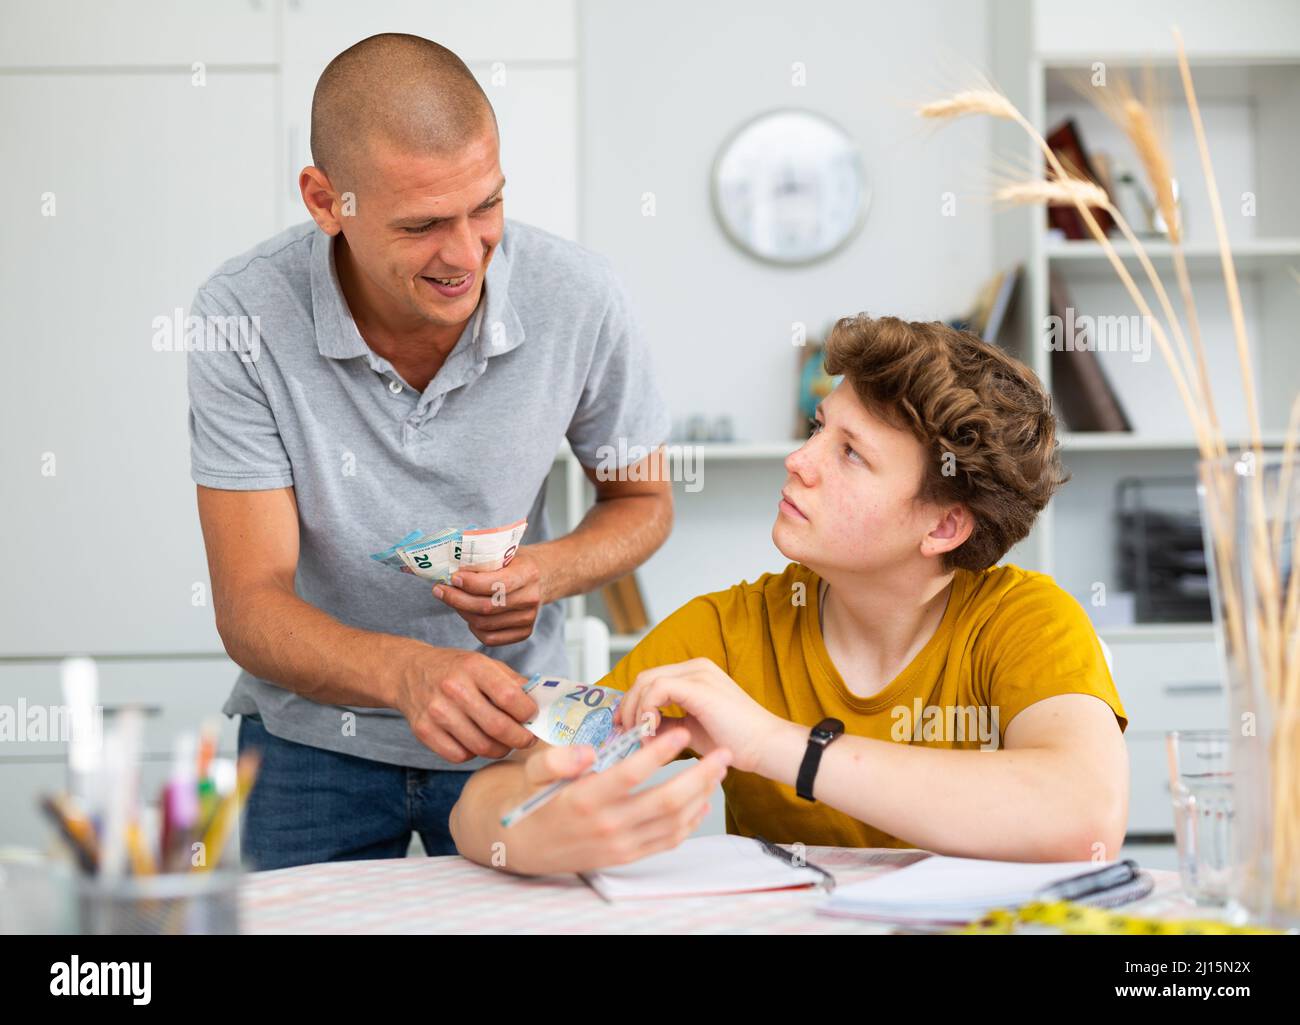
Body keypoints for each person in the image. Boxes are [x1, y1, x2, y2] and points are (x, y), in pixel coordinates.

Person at [187, 34, 672, 869]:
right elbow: (249, 604)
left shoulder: (579, 296)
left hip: (514, 730)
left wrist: (548, 571)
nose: (465, 254)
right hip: (309, 747)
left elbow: (644, 501)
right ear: (323, 199)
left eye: (485, 206)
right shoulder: (241, 315)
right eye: (421, 225)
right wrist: (408, 673)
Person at [450, 314, 1130, 875]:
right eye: (816, 429)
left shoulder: (1026, 621)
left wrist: (776, 745)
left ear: (945, 524)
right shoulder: (726, 633)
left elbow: (1084, 815)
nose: (798, 460)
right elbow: (487, 798)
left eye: (851, 453)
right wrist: (537, 832)